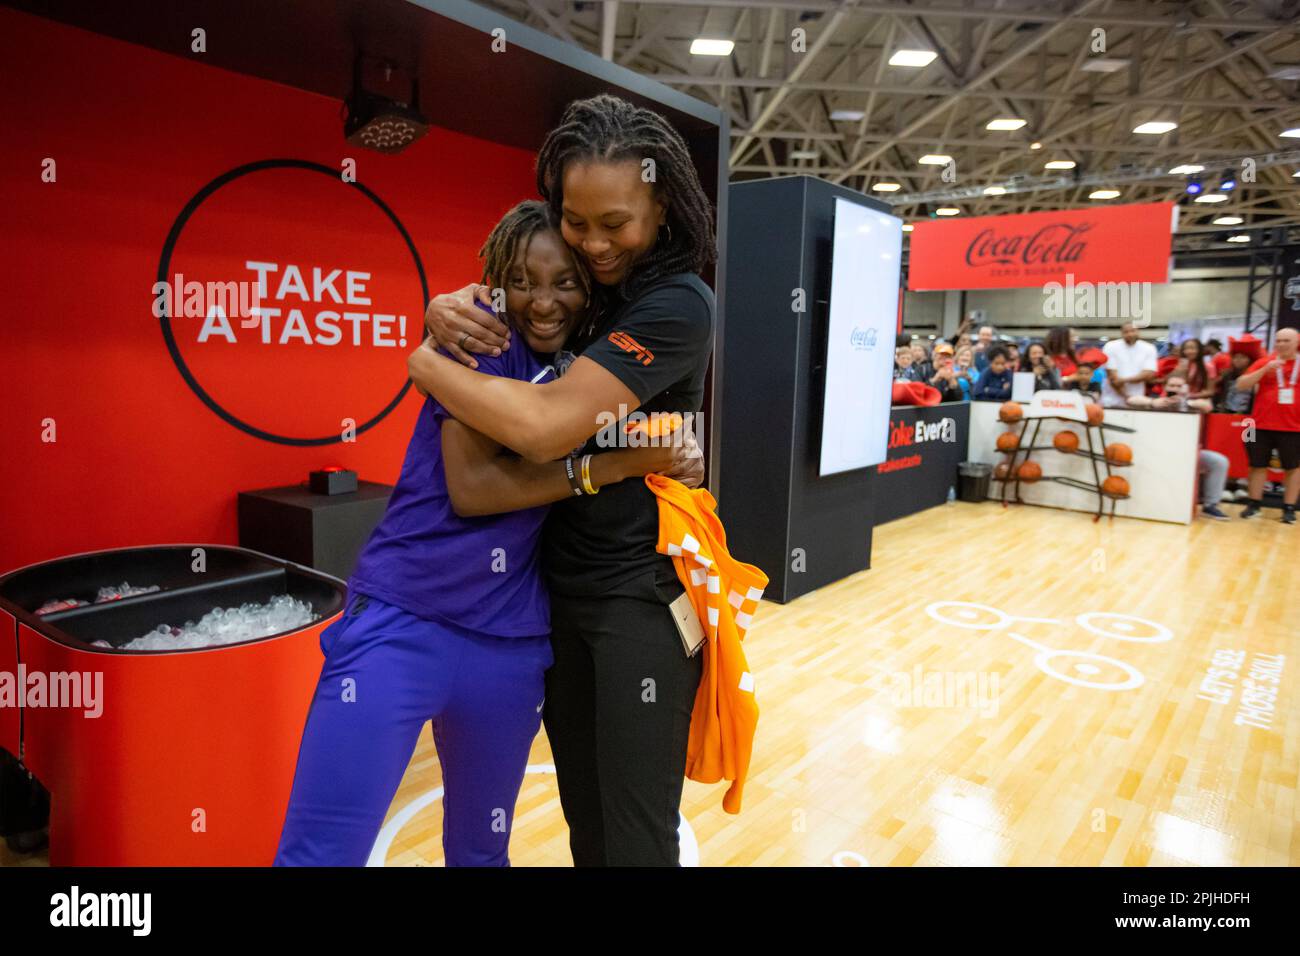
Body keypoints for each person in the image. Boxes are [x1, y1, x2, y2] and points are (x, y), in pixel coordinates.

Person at [274, 201, 700, 867]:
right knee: (320, 855)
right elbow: (475, 491)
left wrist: (680, 454)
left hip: (511, 643)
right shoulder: (479, 341)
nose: (543, 302)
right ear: (497, 284)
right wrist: (621, 465)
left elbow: (646, 427)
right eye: (524, 282)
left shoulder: (583, 371)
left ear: (590, 287)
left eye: (565, 282)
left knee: (480, 854)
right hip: (403, 619)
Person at [411, 94, 720, 864]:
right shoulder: (583, 295)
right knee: (588, 824)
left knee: (636, 840)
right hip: (558, 595)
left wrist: (423, 362)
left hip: (639, 603)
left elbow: (545, 426)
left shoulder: (677, 304)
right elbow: (506, 302)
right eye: (577, 221)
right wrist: (442, 311)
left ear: (664, 203)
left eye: (614, 223)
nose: (593, 242)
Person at [1132, 373, 1230, 520]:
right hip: (1155, 452)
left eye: (1179, 386)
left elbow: (1207, 406)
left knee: (1219, 461)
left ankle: (1210, 505)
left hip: (1187, 453)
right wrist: (1153, 403)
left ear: (1186, 388)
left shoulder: (1190, 402)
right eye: (1172, 385)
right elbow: (1131, 399)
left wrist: (1186, 403)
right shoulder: (1156, 400)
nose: (1175, 389)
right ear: (1165, 387)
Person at [1233, 327, 1300, 523]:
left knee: (1293, 467)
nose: (1281, 344)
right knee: (1256, 465)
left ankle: (1289, 508)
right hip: (1258, 425)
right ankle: (1254, 504)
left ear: (1297, 342)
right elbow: (1240, 385)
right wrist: (1264, 370)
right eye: (1278, 341)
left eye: (1286, 341)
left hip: (1294, 426)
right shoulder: (1265, 362)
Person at [1101, 321, 1158, 407]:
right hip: (1111, 399)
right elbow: (1112, 377)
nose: (1130, 334)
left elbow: (1148, 374)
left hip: (1138, 398)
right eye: (1126, 332)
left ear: (1138, 331)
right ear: (1121, 333)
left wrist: (1123, 380)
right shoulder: (1110, 346)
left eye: (1132, 331)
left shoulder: (1149, 348)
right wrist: (1127, 397)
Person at [1214, 335, 1261, 414]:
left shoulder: (1254, 376)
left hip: (1248, 414)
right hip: (1227, 413)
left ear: (1250, 360)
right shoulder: (1227, 375)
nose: (1238, 360)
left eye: (1242, 357)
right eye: (1235, 357)